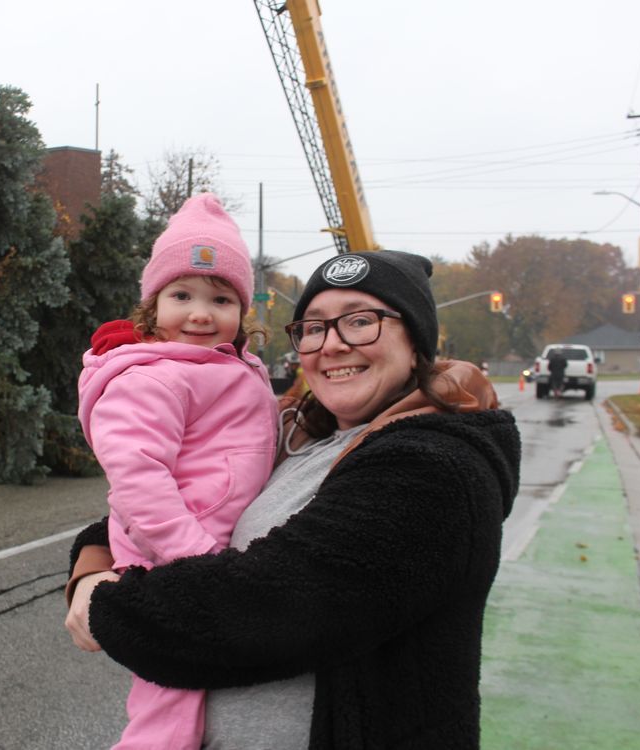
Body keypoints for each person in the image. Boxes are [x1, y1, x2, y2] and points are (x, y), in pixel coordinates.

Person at [66, 250, 522, 749]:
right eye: (313, 326)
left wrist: (104, 606)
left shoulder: (435, 467)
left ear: (416, 344)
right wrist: (91, 567)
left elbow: (264, 611)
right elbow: (175, 501)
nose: (332, 344)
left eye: (361, 321)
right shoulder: (296, 437)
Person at [77, 193, 279, 750]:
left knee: (194, 701)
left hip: (202, 551)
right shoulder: (151, 377)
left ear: (242, 312)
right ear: (152, 306)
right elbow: (138, 482)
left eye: (221, 298)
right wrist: (200, 560)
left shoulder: (229, 368)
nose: (200, 312)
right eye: (181, 294)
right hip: (172, 558)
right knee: (168, 711)